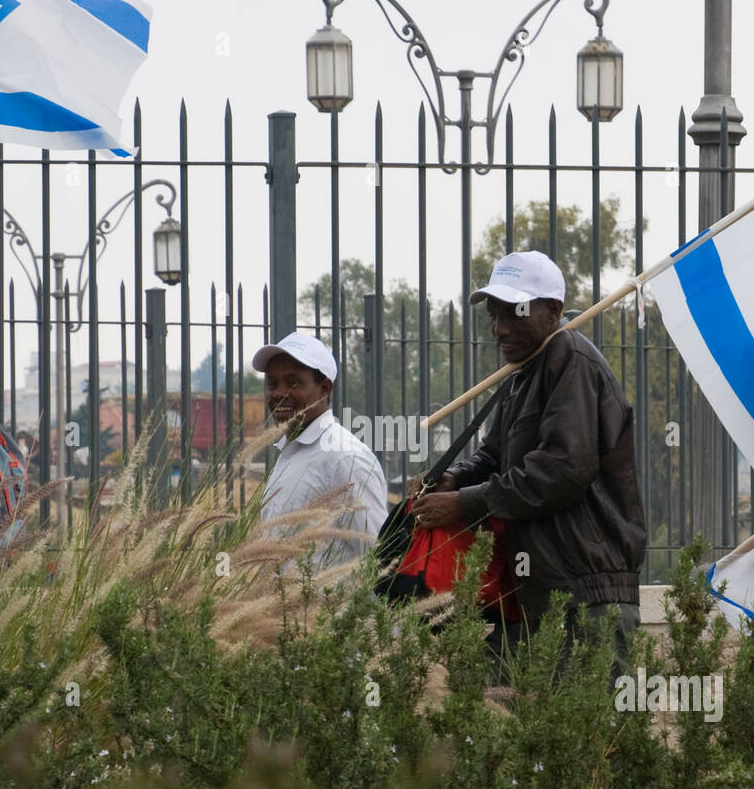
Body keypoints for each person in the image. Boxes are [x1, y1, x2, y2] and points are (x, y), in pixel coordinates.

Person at [412, 250, 646, 674]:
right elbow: (493, 456)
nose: (499, 328)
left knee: (592, 736)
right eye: (494, 315)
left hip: (586, 597)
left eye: (514, 313)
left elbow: (560, 469)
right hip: (541, 594)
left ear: (553, 310)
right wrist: (453, 478)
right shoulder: (526, 371)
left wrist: (464, 503)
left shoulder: (569, 356)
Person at [253, 331, 388, 567]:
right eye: (272, 384)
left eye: (293, 382)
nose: (279, 394)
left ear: (325, 388)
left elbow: (376, 555)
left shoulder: (346, 457)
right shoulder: (291, 451)